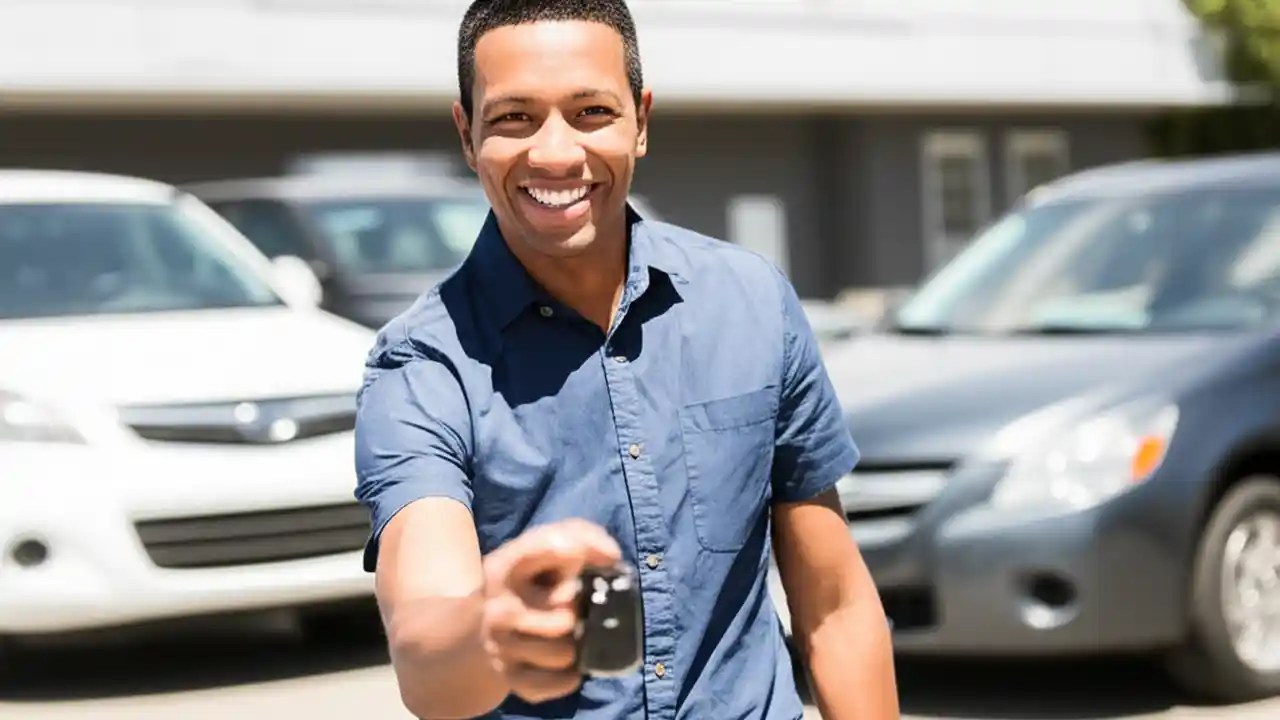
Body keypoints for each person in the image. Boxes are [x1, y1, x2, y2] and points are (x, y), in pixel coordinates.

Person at [353, 0, 900, 718]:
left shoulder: (752, 303)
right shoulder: (421, 368)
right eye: (515, 117)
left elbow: (834, 607)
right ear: (467, 132)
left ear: (641, 121)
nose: (553, 153)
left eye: (590, 112)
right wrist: (490, 630)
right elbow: (425, 648)